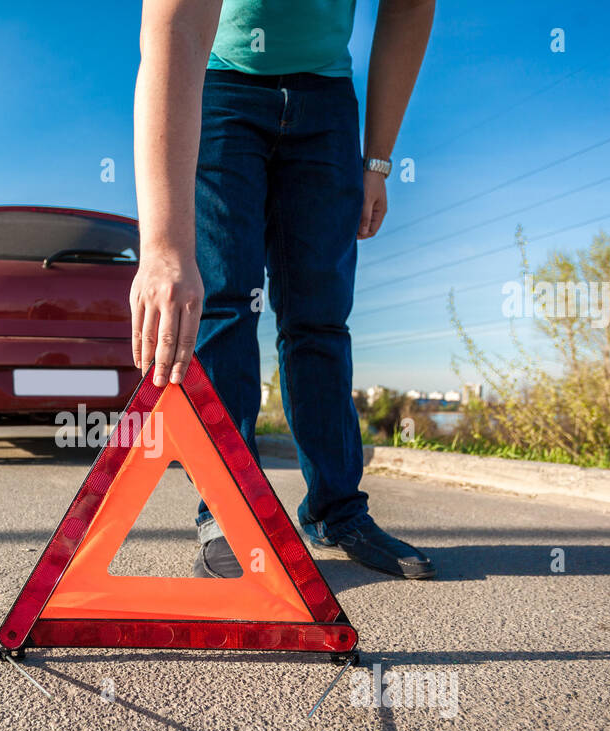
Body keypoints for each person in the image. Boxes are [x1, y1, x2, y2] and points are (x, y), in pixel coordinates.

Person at [130, 0, 437, 580]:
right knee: (222, 303)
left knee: (319, 318)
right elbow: (172, 28)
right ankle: (228, 509)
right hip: (219, 83)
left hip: (326, 101)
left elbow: (410, 7)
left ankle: (337, 511)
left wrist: (376, 162)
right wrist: (165, 250)